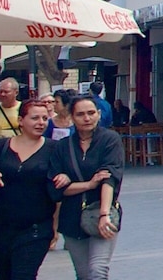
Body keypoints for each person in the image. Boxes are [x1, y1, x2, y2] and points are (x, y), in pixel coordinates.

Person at [0, 100, 64, 280]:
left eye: (45, 118)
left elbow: (58, 192)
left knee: (24, 275)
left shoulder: (54, 149)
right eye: (35, 118)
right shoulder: (2, 146)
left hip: (36, 228)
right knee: (6, 276)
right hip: (0, 227)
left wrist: (55, 228)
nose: (41, 122)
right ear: (20, 120)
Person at [55, 96, 125, 279]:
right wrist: (89, 184)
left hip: (100, 212)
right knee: (84, 274)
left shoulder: (110, 140)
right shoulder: (63, 147)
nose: (87, 118)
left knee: (98, 270)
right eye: (80, 114)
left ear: (99, 114)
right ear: (71, 117)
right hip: (72, 216)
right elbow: (56, 189)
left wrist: (104, 214)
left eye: (91, 113)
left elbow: (109, 179)